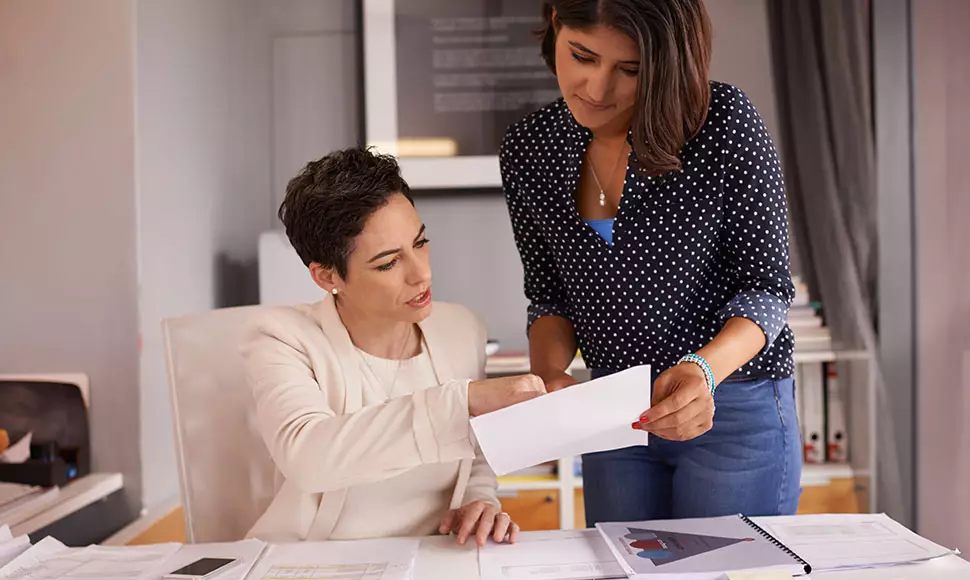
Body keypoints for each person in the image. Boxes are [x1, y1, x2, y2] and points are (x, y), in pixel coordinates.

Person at [500, 0, 801, 525]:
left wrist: (703, 371)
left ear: (667, 62)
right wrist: (548, 375)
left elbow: (768, 288)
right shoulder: (531, 148)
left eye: (630, 70)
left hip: (731, 408)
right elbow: (549, 295)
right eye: (582, 56)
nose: (596, 88)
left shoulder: (723, 124)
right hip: (614, 412)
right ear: (555, 26)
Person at [242, 147, 545, 543]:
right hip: (313, 562)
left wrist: (479, 500)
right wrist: (461, 402)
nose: (423, 274)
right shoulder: (281, 337)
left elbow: (475, 455)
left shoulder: (460, 328)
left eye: (420, 243)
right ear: (327, 276)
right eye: (388, 263)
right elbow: (308, 458)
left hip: (431, 561)